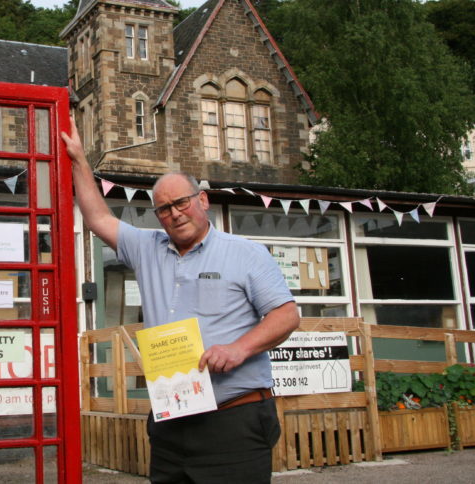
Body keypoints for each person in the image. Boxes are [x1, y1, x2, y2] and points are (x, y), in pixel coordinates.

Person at [61, 118, 300, 483]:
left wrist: (238, 349)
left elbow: (286, 316)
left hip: (233, 419)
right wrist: (79, 158)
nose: (174, 213)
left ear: (202, 200)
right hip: (172, 417)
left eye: (182, 202)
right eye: (164, 209)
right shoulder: (147, 248)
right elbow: (96, 217)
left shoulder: (246, 253)